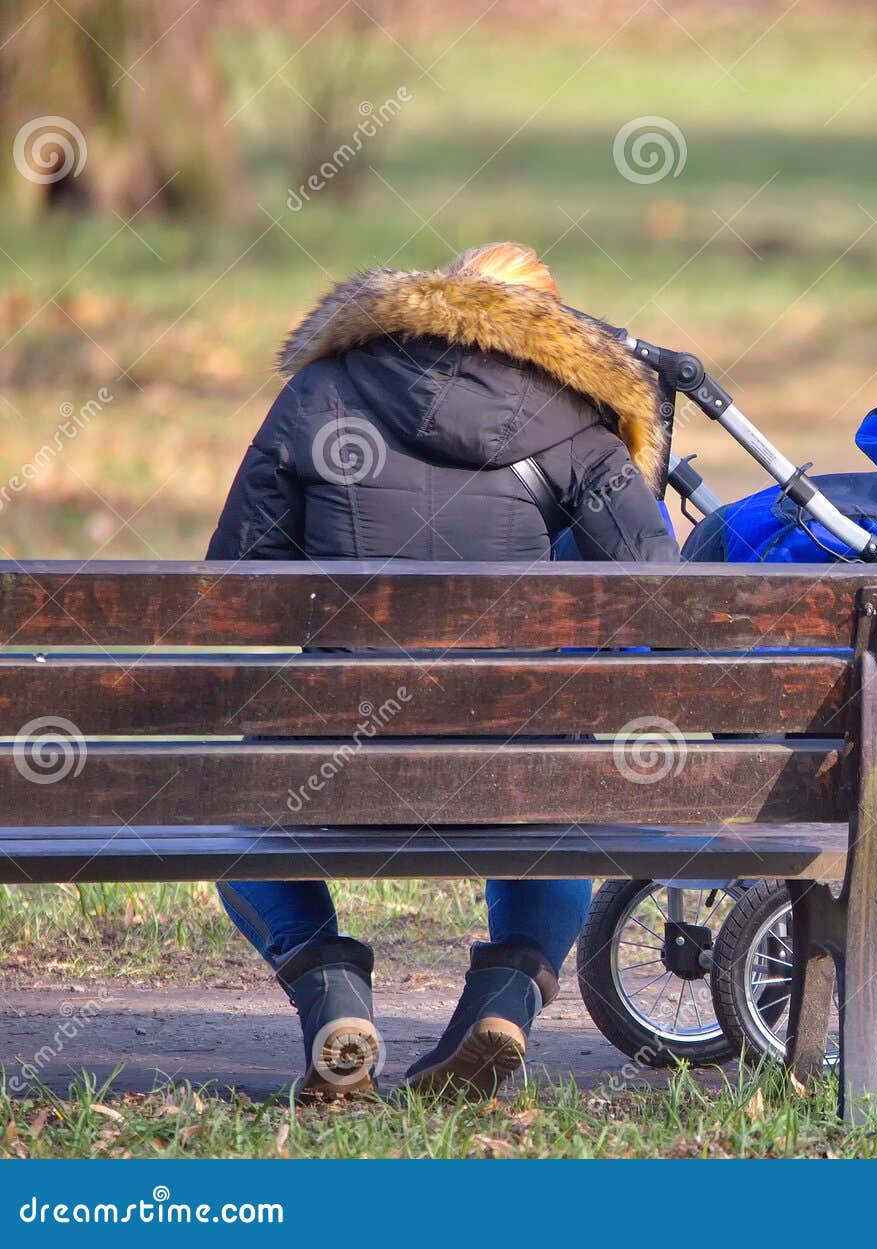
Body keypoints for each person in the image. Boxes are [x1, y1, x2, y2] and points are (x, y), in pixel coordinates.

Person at [206, 243, 680, 1098]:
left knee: (231, 794)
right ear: (551, 330)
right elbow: (657, 591)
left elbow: (234, 582)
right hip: (508, 761)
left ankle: (331, 992)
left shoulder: (322, 391)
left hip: (334, 756)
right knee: (557, 791)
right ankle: (503, 997)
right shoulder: (577, 420)